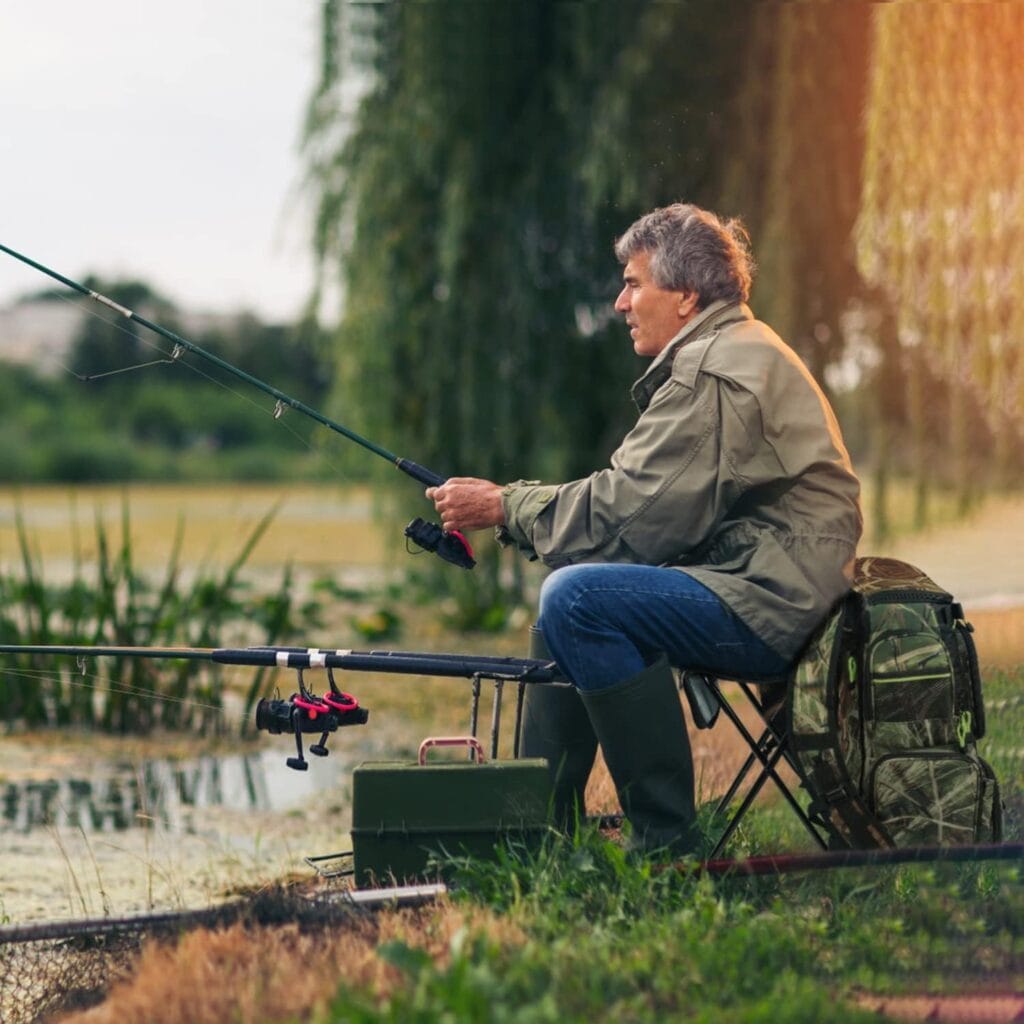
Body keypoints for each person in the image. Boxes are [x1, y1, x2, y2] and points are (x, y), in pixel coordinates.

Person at [426, 203, 862, 854]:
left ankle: (665, 842)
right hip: (769, 583)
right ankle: (534, 835)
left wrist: (504, 506)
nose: (618, 303)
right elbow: (650, 516)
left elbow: (626, 515)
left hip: (773, 602)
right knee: (564, 605)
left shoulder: (714, 370)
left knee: (577, 598)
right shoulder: (732, 348)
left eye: (633, 283)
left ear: (686, 296)